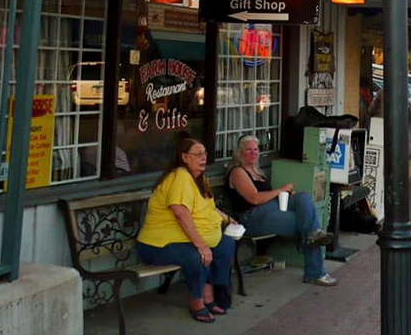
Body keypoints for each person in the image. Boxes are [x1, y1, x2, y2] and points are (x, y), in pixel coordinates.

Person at [137, 138, 235, 323]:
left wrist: (227, 219)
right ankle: (197, 302)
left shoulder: (200, 178)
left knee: (225, 244)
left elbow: (209, 207)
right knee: (197, 256)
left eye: (205, 153)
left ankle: (209, 297)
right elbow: (181, 213)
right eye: (198, 154)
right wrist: (201, 245)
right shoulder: (180, 176)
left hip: (182, 240)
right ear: (184, 157)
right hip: (158, 244)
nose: (203, 158)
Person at [226, 134, 336, 287]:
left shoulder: (257, 172)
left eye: (256, 149)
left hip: (271, 210)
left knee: (303, 198)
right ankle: (315, 272)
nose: (253, 153)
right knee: (307, 224)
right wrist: (281, 190)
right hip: (252, 217)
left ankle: (313, 239)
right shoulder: (237, 172)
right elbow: (254, 198)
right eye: (248, 150)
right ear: (239, 153)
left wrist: (284, 193)